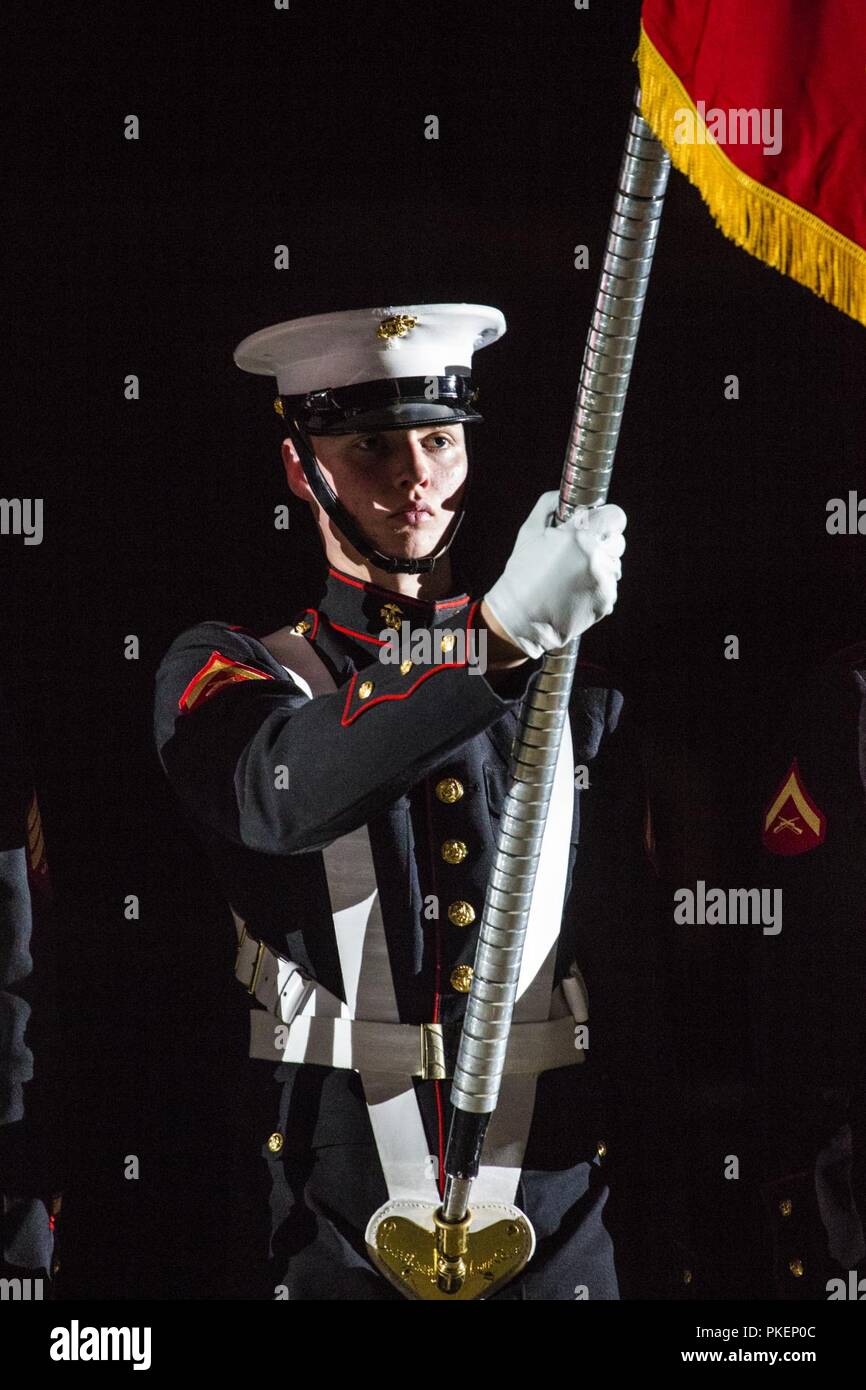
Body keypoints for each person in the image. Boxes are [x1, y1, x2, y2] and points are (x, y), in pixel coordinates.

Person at [153, 302, 629, 1299]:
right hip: (328, 1191)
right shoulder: (234, 667)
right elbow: (281, 793)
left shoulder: (569, 673)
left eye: (437, 440)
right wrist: (492, 635)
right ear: (300, 467)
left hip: (552, 1186)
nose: (413, 475)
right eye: (368, 444)